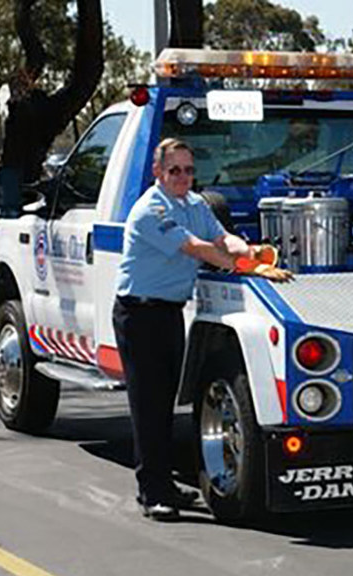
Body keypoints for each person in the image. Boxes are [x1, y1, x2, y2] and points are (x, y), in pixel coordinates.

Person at [114, 137, 291, 521]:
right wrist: (247, 267)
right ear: (157, 172)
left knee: (164, 405)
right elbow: (196, 248)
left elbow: (219, 237)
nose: (182, 176)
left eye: (188, 170)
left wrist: (250, 250)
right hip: (139, 316)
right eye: (174, 170)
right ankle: (152, 493)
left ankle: (166, 487)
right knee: (148, 408)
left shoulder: (194, 204)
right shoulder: (151, 210)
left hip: (169, 314)